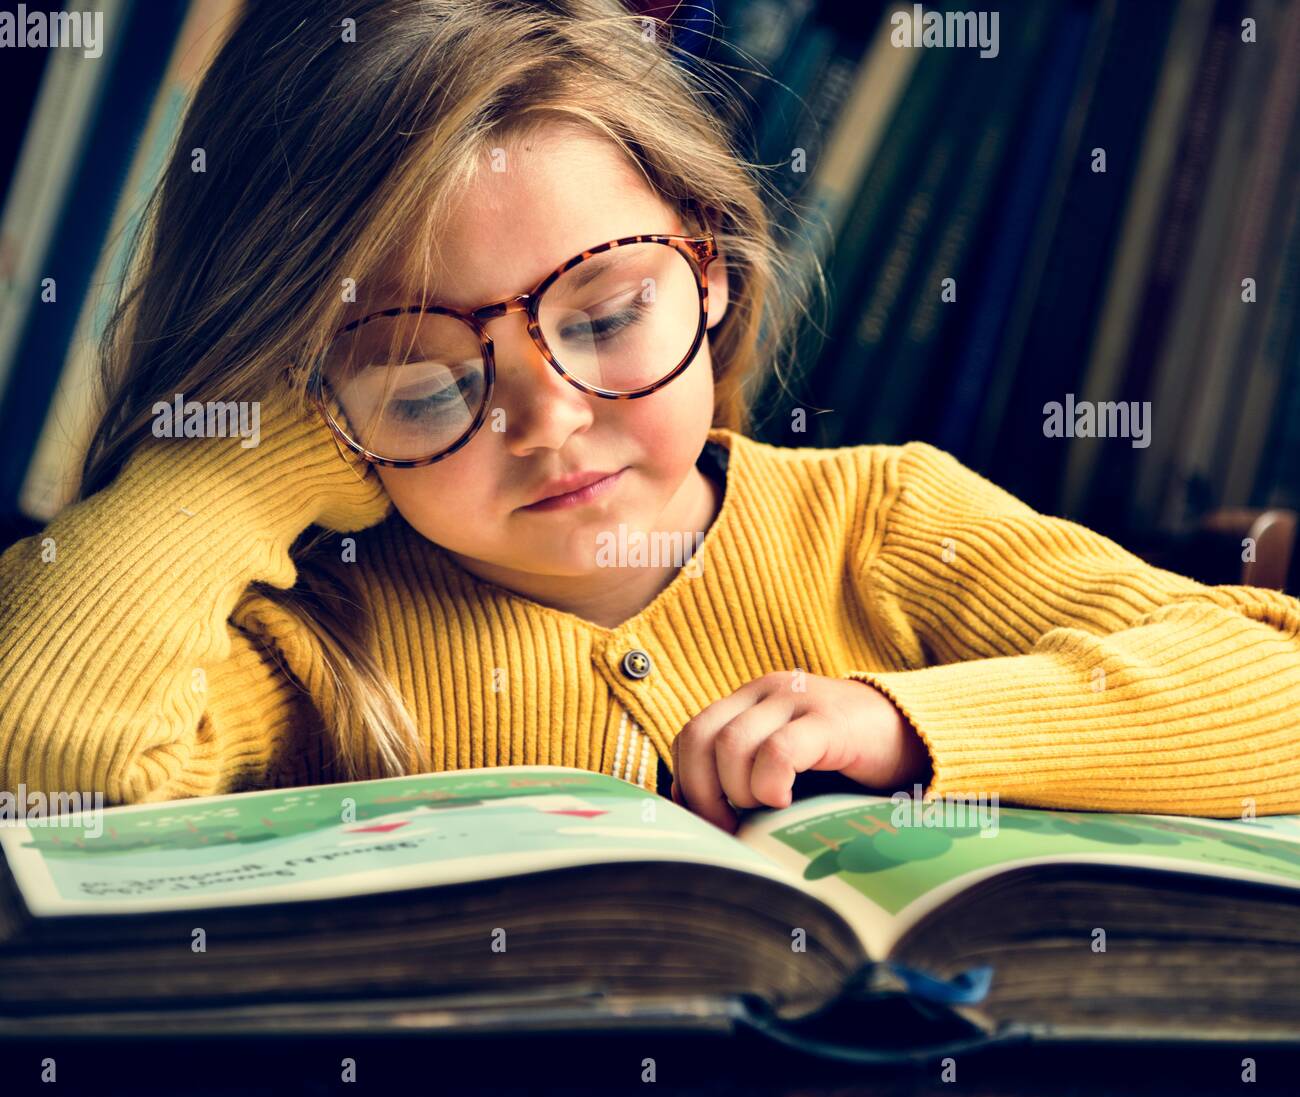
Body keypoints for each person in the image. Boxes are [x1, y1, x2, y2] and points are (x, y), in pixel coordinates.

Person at [1, 0, 1297, 832]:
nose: (551, 422)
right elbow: (44, 772)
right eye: (422, 383)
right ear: (309, 398)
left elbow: (1276, 695)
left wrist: (911, 730)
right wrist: (240, 468)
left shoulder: (886, 520)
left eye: (608, 317)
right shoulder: (314, 634)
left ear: (713, 265)